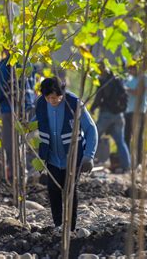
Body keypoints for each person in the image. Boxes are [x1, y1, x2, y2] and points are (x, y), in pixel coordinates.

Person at [34, 77, 98, 231]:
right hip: (52, 158)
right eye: (48, 98)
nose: (52, 101)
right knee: (53, 191)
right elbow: (37, 121)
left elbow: (91, 129)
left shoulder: (74, 103)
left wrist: (89, 156)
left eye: (55, 98)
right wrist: (25, 127)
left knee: (70, 191)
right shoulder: (41, 104)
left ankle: (70, 228)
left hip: (73, 156)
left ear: (62, 93)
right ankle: (58, 226)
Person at [0, 50, 36, 179]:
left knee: (9, 144)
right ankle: (22, 173)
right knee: (21, 142)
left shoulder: (3, 65)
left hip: (9, 109)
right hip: (26, 108)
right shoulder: (28, 64)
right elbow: (32, 86)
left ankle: (15, 174)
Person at [90, 61, 131, 172]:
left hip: (106, 115)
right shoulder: (117, 79)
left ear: (100, 69)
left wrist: (92, 109)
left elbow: (98, 98)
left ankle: (88, 162)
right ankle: (127, 166)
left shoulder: (103, 80)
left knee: (93, 137)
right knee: (120, 141)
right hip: (119, 115)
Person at [124, 63, 147, 168]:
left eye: (132, 69)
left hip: (139, 112)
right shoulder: (131, 79)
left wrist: (126, 89)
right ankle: (127, 161)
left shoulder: (145, 78)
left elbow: (138, 92)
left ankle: (139, 162)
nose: (130, 71)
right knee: (127, 137)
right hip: (129, 111)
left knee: (138, 138)